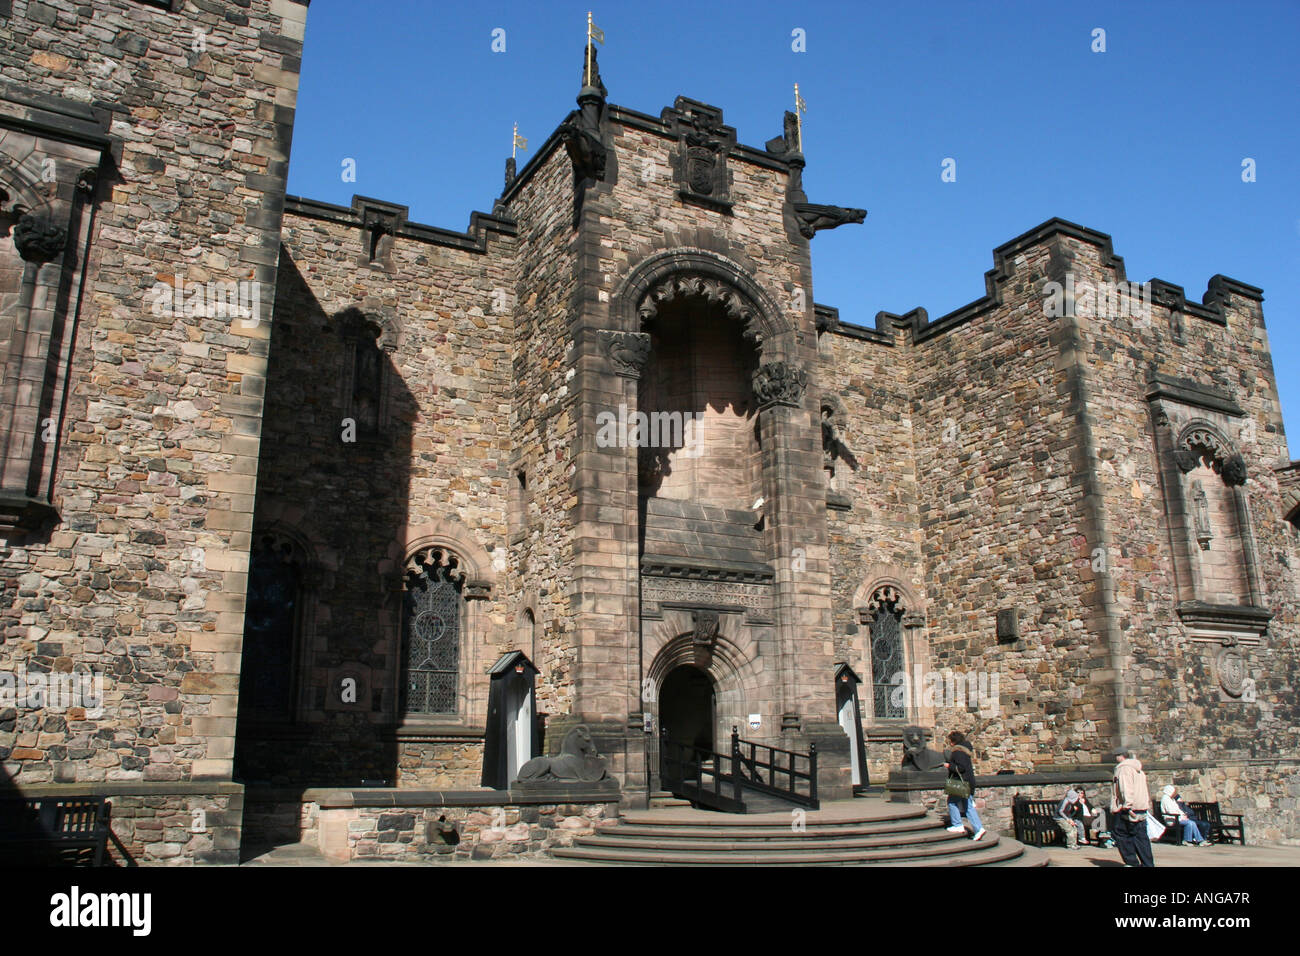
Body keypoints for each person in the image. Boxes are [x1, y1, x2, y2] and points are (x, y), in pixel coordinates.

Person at [1110, 746, 1154, 867]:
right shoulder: (1138, 769)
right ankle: (1148, 864)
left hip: (1129, 808)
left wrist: (1126, 806)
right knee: (1141, 838)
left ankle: (1131, 862)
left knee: (1121, 834)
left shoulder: (1124, 769)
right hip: (1140, 806)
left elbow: (1126, 789)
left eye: (1116, 756)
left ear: (1120, 756)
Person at [942, 731, 986, 841]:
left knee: (952, 802)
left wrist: (949, 765)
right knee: (968, 806)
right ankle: (978, 828)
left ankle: (958, 825)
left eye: (950, 741)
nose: (950, 744)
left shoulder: (958, 752)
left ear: (953, 742)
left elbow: (961, 768)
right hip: (969, 782)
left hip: (961, 783)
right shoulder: (966, 750)